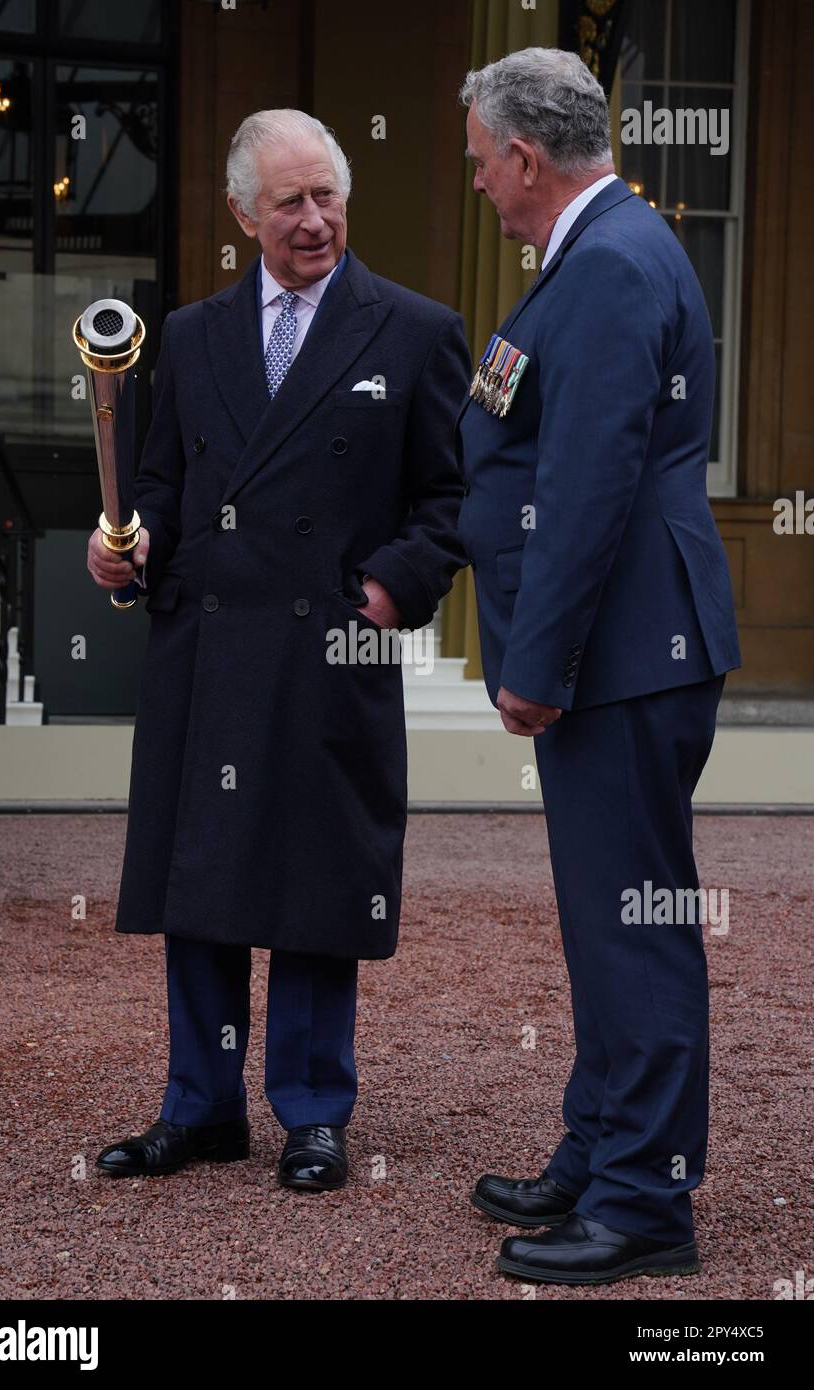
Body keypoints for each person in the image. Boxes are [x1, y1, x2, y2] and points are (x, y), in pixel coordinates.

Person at [86, 108, 470, 1193]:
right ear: (243, 213)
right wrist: (133, 544)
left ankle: (312, 1111)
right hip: (206, 643)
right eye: (292, 202)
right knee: (200, 876)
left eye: (329, 196)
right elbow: (160, 484)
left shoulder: (415, 330)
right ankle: (200, 1109)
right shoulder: (194, 334)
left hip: (328, 650)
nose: (316, 220)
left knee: (317, 878)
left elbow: (451, 500)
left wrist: (393, 587)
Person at [457, 48, 741, 1284]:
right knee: (606, 916)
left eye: (478, 162)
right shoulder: (605, 249)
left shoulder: (614, 261)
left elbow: (585, 485)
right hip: (624, 643)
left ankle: (645, 1204)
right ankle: (599, 1149)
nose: (475, 184)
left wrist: (536, 658)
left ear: (525, 156)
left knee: (635, 922)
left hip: (622, 645)